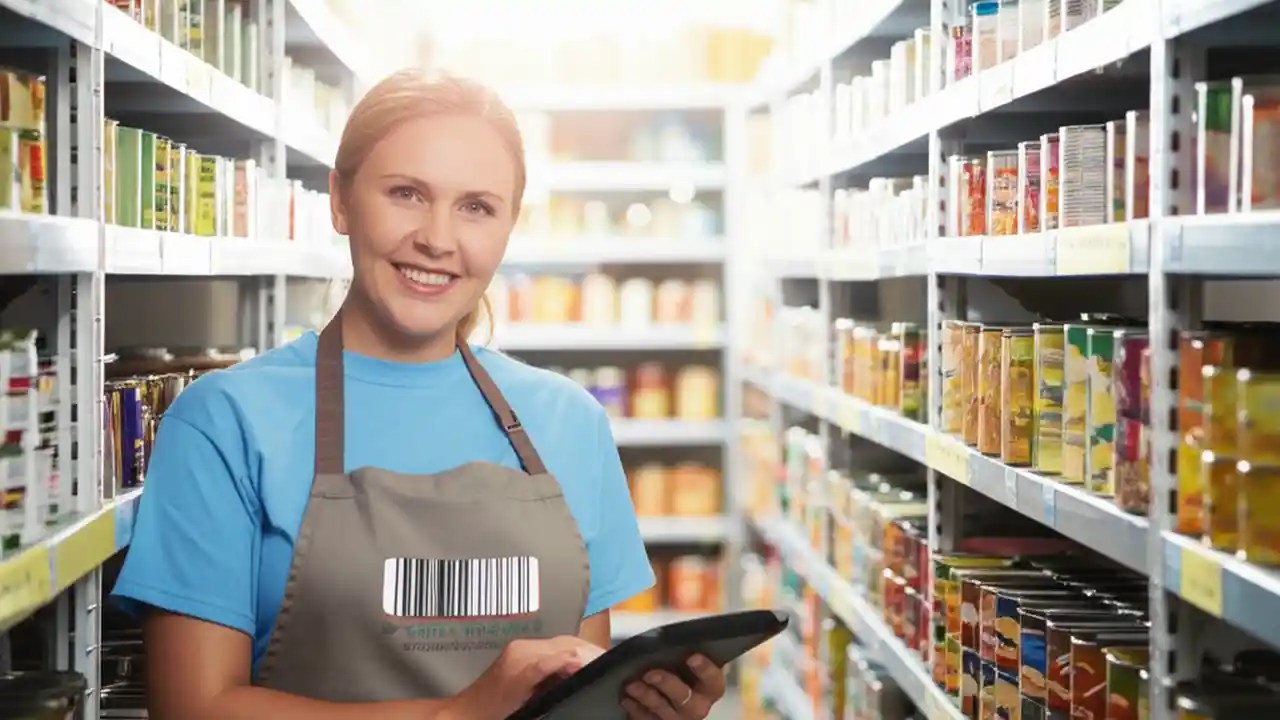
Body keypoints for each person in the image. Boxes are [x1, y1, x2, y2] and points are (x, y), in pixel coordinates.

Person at [110, 69, 728, 720]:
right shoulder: (224, 423)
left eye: (476, 207)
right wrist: (457, 715)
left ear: (509, 226)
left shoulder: (568, 422)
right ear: (341, 200)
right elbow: (193, 708)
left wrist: (636, 708)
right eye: (407, 194)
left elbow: (571, 694)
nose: (437, 238)